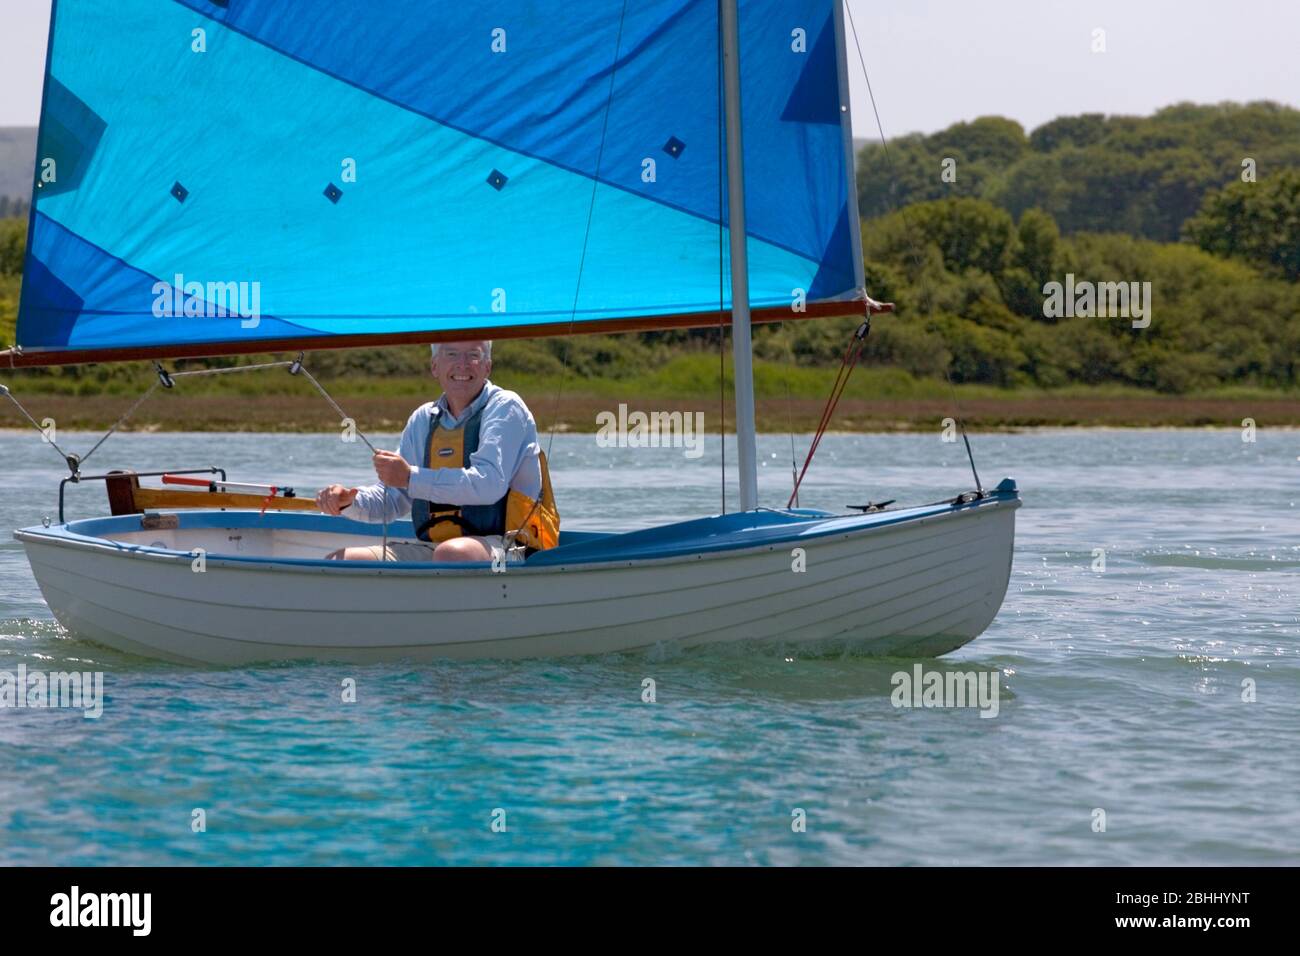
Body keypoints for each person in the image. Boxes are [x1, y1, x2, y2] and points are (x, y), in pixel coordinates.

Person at [315, 340, 558, 562]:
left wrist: (410, 477)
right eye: (451, 354)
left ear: (487, 367)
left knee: (452, 554)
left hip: (509, 547)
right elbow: (394, 500)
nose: (463, 364)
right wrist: (348, 500)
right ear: (434, 367)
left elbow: (489, 485)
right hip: (438, 548)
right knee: (344, 559)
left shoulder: (506, 407)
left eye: (474, 355)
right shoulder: (422, 419)